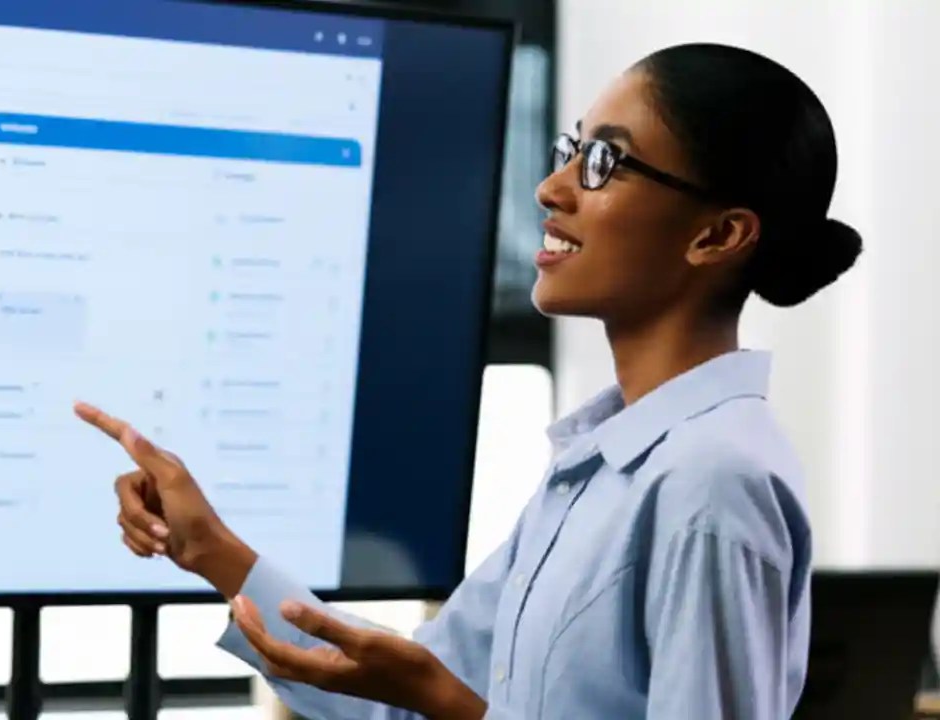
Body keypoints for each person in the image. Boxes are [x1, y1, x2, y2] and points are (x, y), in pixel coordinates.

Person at [75, 42, 863, 719]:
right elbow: (392, 693)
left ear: (717, 235)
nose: (551, 191)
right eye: (569, 150)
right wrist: (211, 549)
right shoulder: (604, 465)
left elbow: (442, 698)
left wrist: (455, 708)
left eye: (603, 163)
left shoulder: (710, 478)